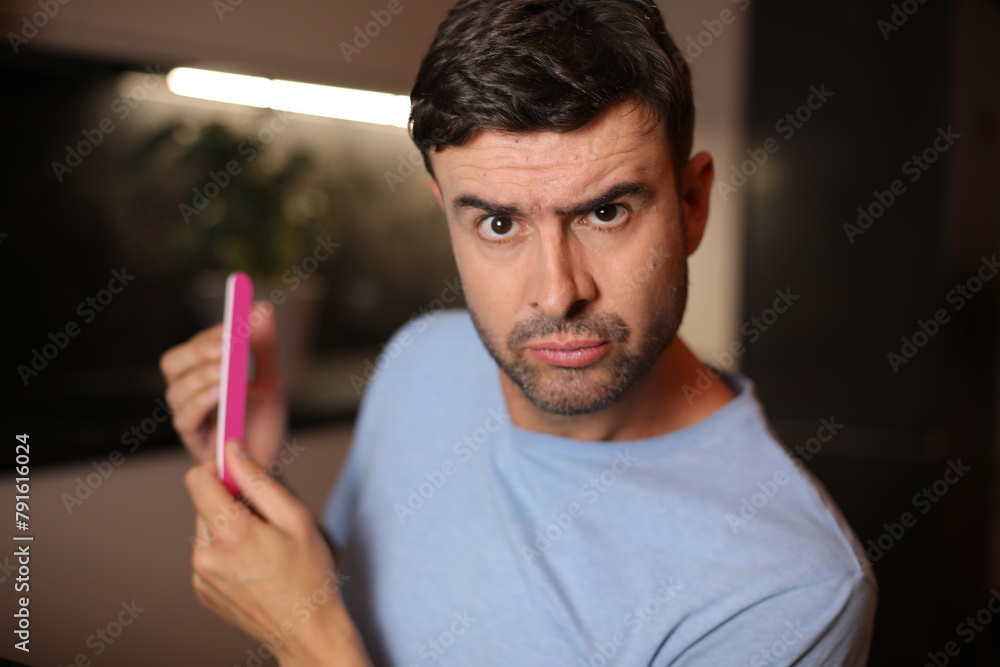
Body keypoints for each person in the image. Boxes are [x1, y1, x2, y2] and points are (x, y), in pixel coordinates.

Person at [161, 0, 877, 664]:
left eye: (606, 213)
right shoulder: (421, 358)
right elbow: (362, 600)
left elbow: (324, 629)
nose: (557, 292)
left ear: (692, 205)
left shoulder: (790, 588)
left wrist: (306, 637)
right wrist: (255, 477)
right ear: (447, 214)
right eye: (500, 224)